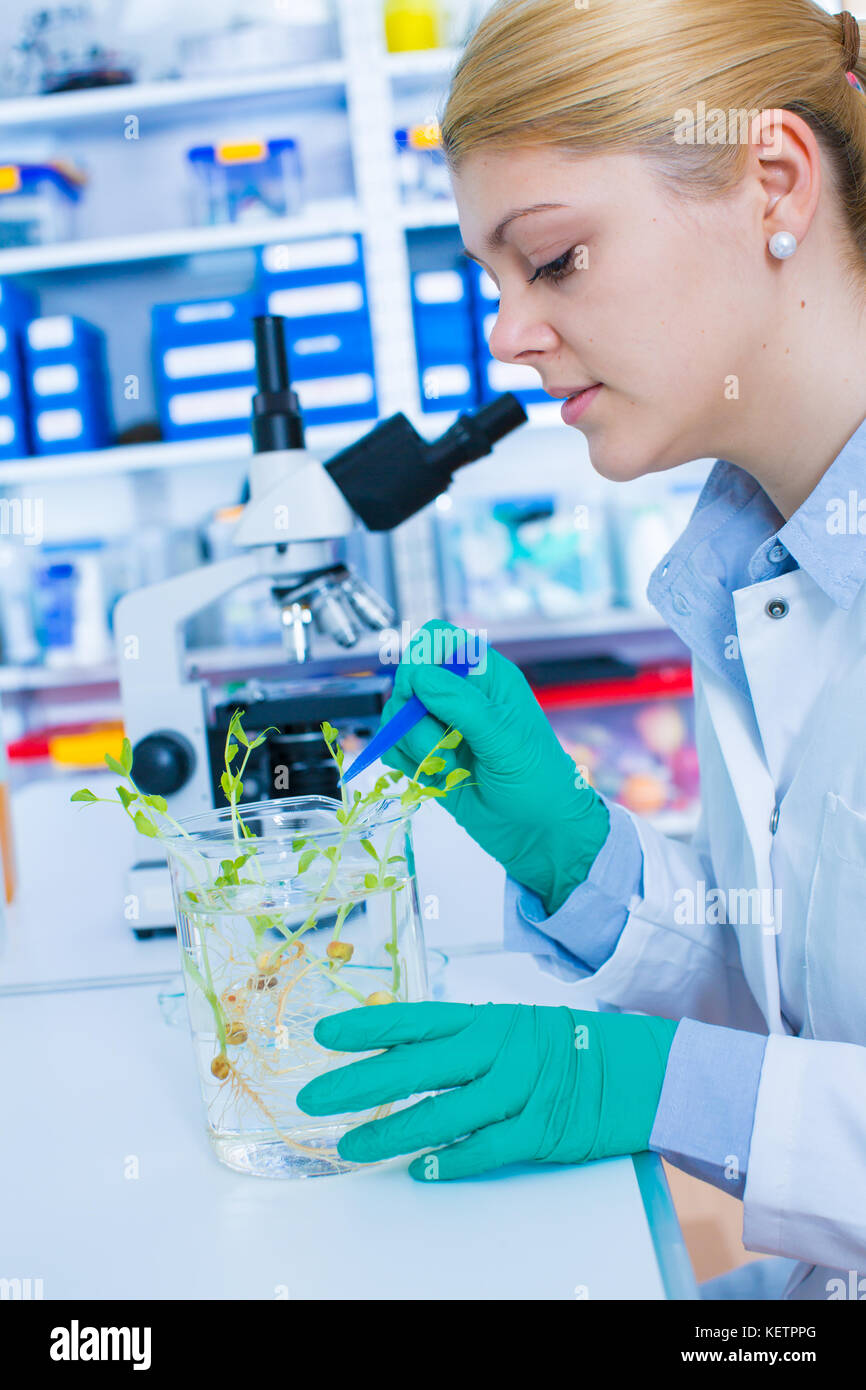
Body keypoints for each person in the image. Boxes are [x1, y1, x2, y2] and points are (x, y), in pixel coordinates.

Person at [297, 0, 866, 1301]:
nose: (506, 331)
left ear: (769, 177)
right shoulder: (756, 562)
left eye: (549, 262)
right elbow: (809, 1002)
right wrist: (575, 851)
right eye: (489, 281)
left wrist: (655, 1084)